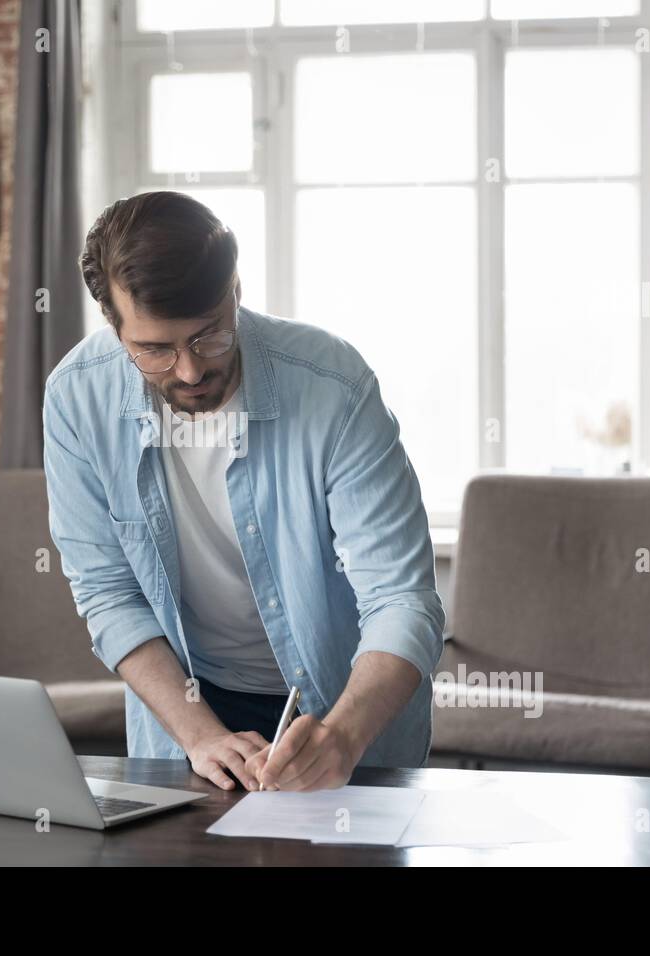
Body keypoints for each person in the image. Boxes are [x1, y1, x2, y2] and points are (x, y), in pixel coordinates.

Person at [43, 191, 443, 793]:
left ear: (236, 290)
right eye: (154, 349)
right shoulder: (76, 398)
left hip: (344, 708)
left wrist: (344, 737)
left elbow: (402, 598)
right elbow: (107, 591)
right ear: (112, 324)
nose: (188, 371)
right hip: (190, 717)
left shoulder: (334, 385)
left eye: (209, 337)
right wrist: (198, 733)